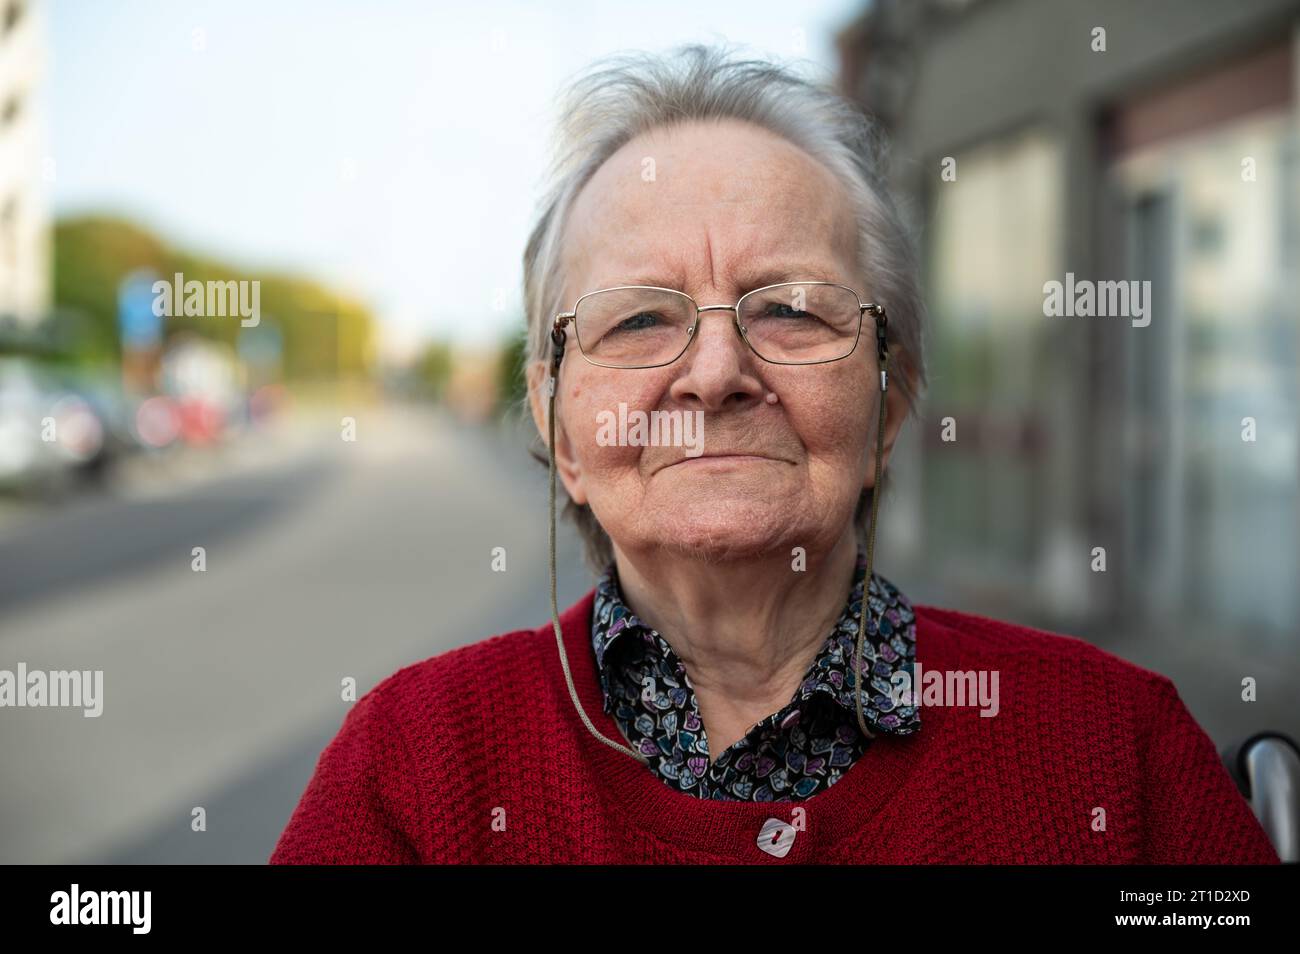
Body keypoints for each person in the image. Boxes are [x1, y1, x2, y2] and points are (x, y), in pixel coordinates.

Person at [270, 44, 1279, 864]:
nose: (715, 373)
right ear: (557, 426)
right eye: (636, 322)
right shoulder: (412, 772)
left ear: (889, 403)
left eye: (790, 309)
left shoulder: (1112, 747)